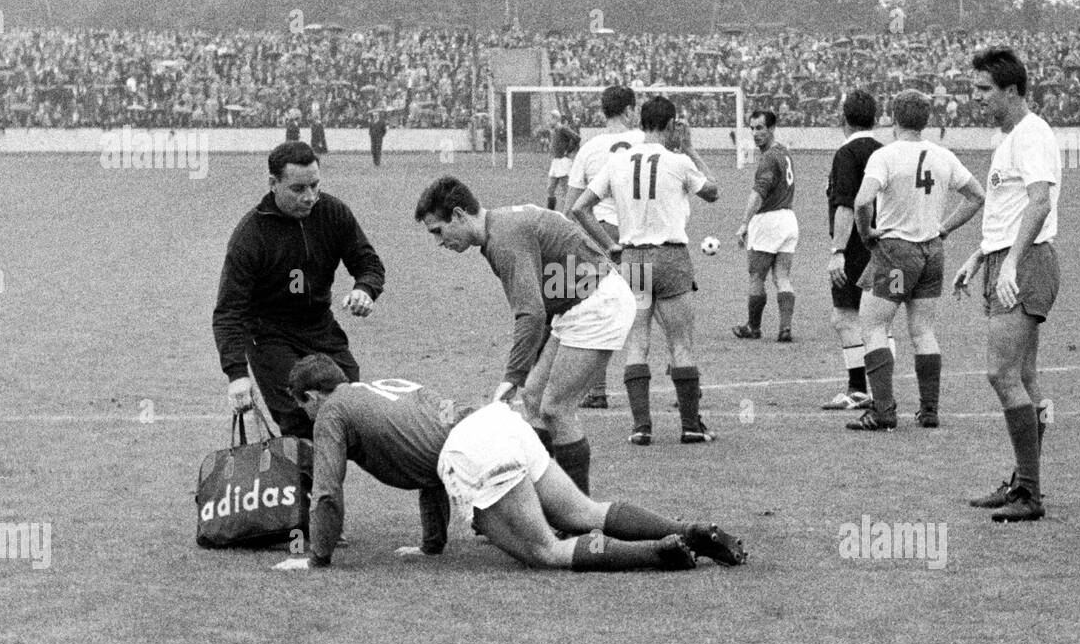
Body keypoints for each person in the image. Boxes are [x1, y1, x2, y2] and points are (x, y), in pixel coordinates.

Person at [285, 354, 747, 570]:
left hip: (469, 451)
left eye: (302, 406)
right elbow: (428, 473)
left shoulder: (331, 412)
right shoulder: (384, 384)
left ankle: (659, 553)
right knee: (584, 512)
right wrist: (431, 546)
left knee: (545, 551)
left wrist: (316, 558)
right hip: (499, 424)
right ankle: (689, 530)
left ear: (311, 397)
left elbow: (327, 491)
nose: (306, 416)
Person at [414, 176, 636, 496]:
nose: (438, 241)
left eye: (438, 230)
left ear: (460, 215)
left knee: (556, 409)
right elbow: (541, 306)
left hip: (598, 302)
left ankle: (578, 517)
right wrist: (523, 374)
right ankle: (542, 502)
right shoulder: (500, 227)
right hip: (577, 305)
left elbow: (531, 312)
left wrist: (512, 376)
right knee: (533, 400)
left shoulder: (503, 238)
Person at [571, 96, 720, 446]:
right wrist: (692, 150)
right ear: (670, 126)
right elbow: (713, 191)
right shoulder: (678, 160)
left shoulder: (619, 162)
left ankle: (641, 427)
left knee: (637, 344)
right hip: (670, 257)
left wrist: (609, 246)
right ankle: (690, 427)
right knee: (681, 344)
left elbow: (579, 207)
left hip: (633, 259)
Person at [213, 141, 386, 439]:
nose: (309, 197)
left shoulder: (333, 213)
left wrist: (365, 289)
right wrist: (237, 374)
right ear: (273, 184)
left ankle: (325, 484)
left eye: (315, 185)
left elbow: (369, 263)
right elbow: (229, 311)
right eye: (298, 189)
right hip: (269, 336)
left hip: (320, 326)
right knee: (300, 417)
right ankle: (308, 484)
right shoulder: (250, 236)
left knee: (349, 402)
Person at [953, 47, 1061, 522]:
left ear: (1011, 90)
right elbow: (1010, 211)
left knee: (1001, 374)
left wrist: (1011, 264)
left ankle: (1030, 494)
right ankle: (1024, 483)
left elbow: (1039, 203)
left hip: (1026, 262)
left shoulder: (1032, 135)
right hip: (1007, 259)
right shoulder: (1010, 138)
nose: (975, 98)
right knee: (1025, 376)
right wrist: (980, 256)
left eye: (983, 90)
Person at [846, 90, 985, 431]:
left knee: (874, 325)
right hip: (931, 253)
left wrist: (867, 235)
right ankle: (929, 410)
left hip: (896, 255)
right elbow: (976, 196)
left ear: (893, 118)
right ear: (926, 120)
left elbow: (862, 202)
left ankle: (883, 410)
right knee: (923, 330)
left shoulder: (886, 156)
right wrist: (944, 228)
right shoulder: (943, 156)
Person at [562, 84, 645, 409]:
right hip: (642, 235)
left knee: (594, 311)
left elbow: (571, 209)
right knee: (644, 312)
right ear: (628, 111)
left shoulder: (589, 149)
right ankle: (683, 390)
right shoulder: (647, 142)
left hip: (599, 237)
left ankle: (596, 390)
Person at [823, 89, 883, 411]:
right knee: (879, 318)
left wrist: (837, 251)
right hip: (886, 248)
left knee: (844, 316)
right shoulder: (884, 151)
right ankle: (881, 391)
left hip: (857, 247)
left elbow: (846, 206)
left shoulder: (847, 154)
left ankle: (858, 388)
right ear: (875, 118)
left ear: (843, 118)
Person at [731, 109, 798, 342]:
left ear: (771, 129)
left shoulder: (769, 157)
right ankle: (785, 328)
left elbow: (759, 192)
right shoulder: (785, 153)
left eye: (760, 128)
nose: (755, 133)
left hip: (768, 220)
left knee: (756, 276)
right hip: (788, 219)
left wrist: (744, 223)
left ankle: (753, 327)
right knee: (782, 276)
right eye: (752, 128)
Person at [545, 109, 581, 210]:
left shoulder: (563, 129)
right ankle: (550, 213)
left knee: (566, 189)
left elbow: (576, 138)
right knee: (550, 189)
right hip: (556, 162)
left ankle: (569, 214)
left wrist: (568, 150)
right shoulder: (554, 131)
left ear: (555, 119)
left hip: (563, 162)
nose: (548, 122)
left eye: (550, 120)